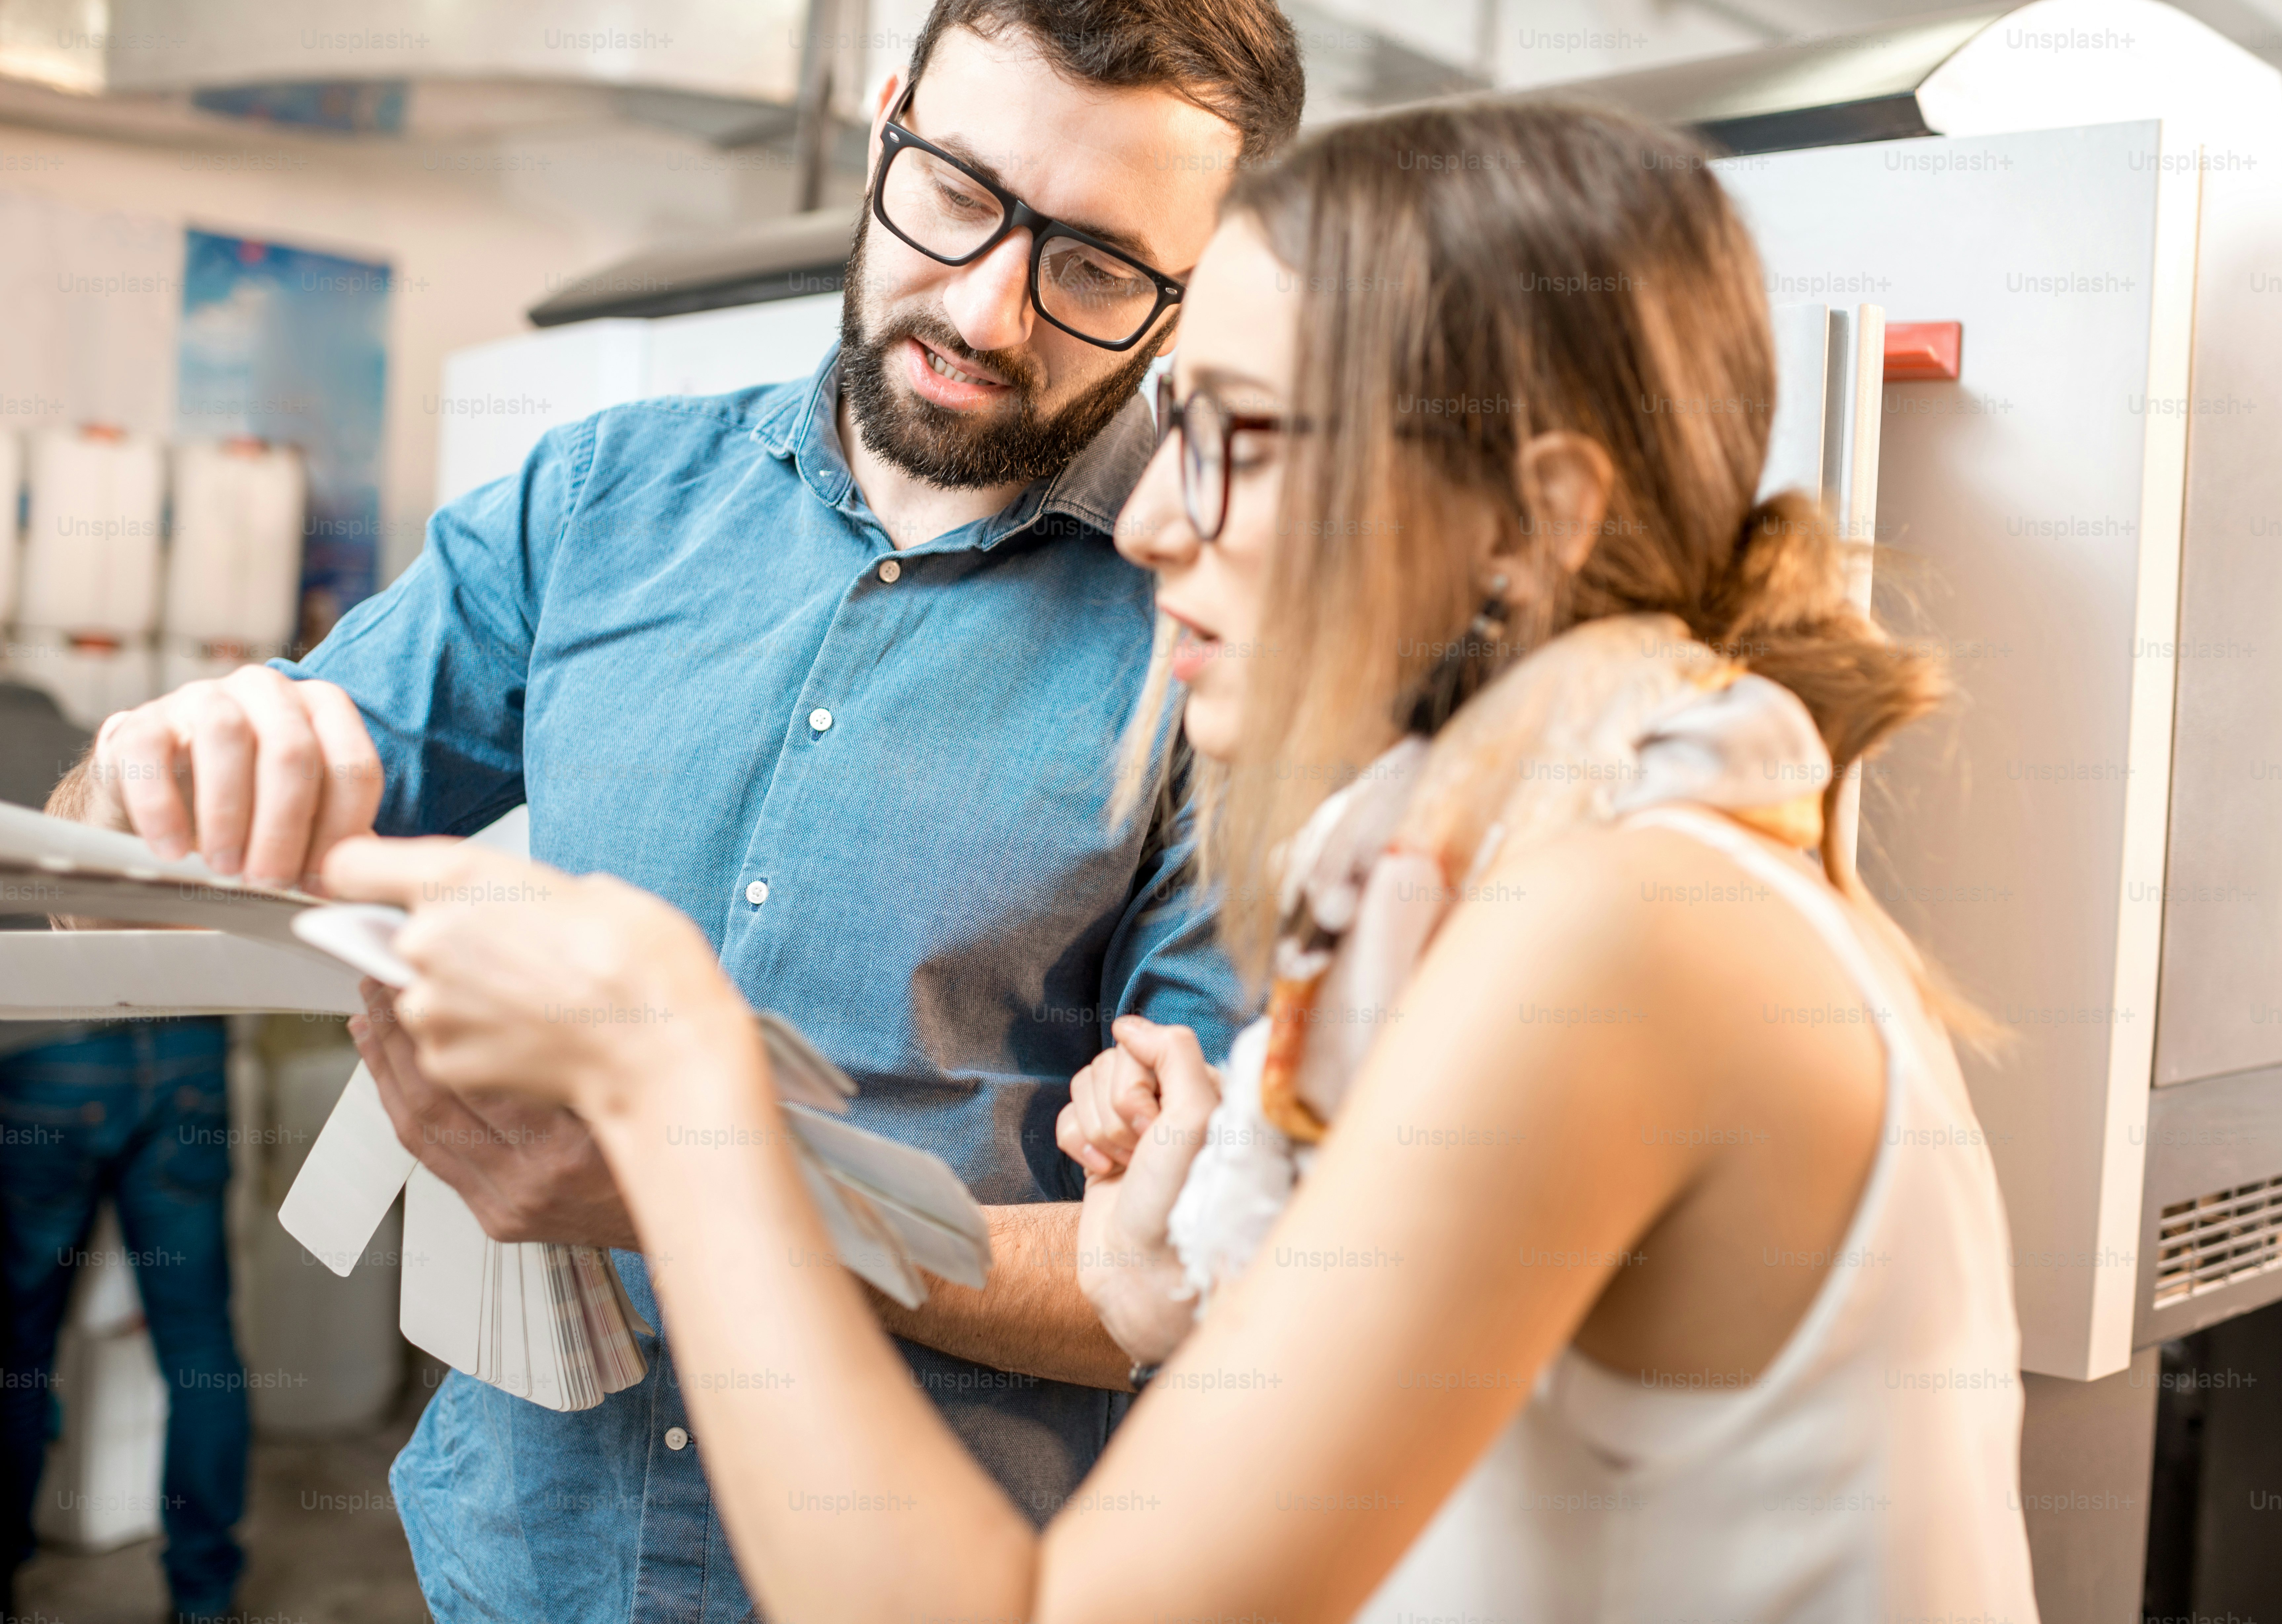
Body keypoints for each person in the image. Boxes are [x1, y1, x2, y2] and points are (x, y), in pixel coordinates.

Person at [313, 100, 2043, 1623]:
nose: (1149, 524)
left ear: (1541, 521)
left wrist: (675, 1084)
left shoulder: (1622, 935)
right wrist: (1169, 1282)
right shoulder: (1520, 889)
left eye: (1241, 437)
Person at [43, 2, 1304, 1616]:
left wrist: (700, 1189)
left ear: (1197, 285)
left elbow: (1195, 1268)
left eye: (1100, 269)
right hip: (512, 1565)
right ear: (887, 120)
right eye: (961, 193)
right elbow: (123, 885)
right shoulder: (595, 506)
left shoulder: (1217, 644)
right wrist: (153, 772)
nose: (991, 308)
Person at [2, 683, 248, 1624]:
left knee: (22, 1348)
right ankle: (207, 1593)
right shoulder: (96, 748)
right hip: (185, 1051)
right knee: (201, 1346)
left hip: (45, 1064)